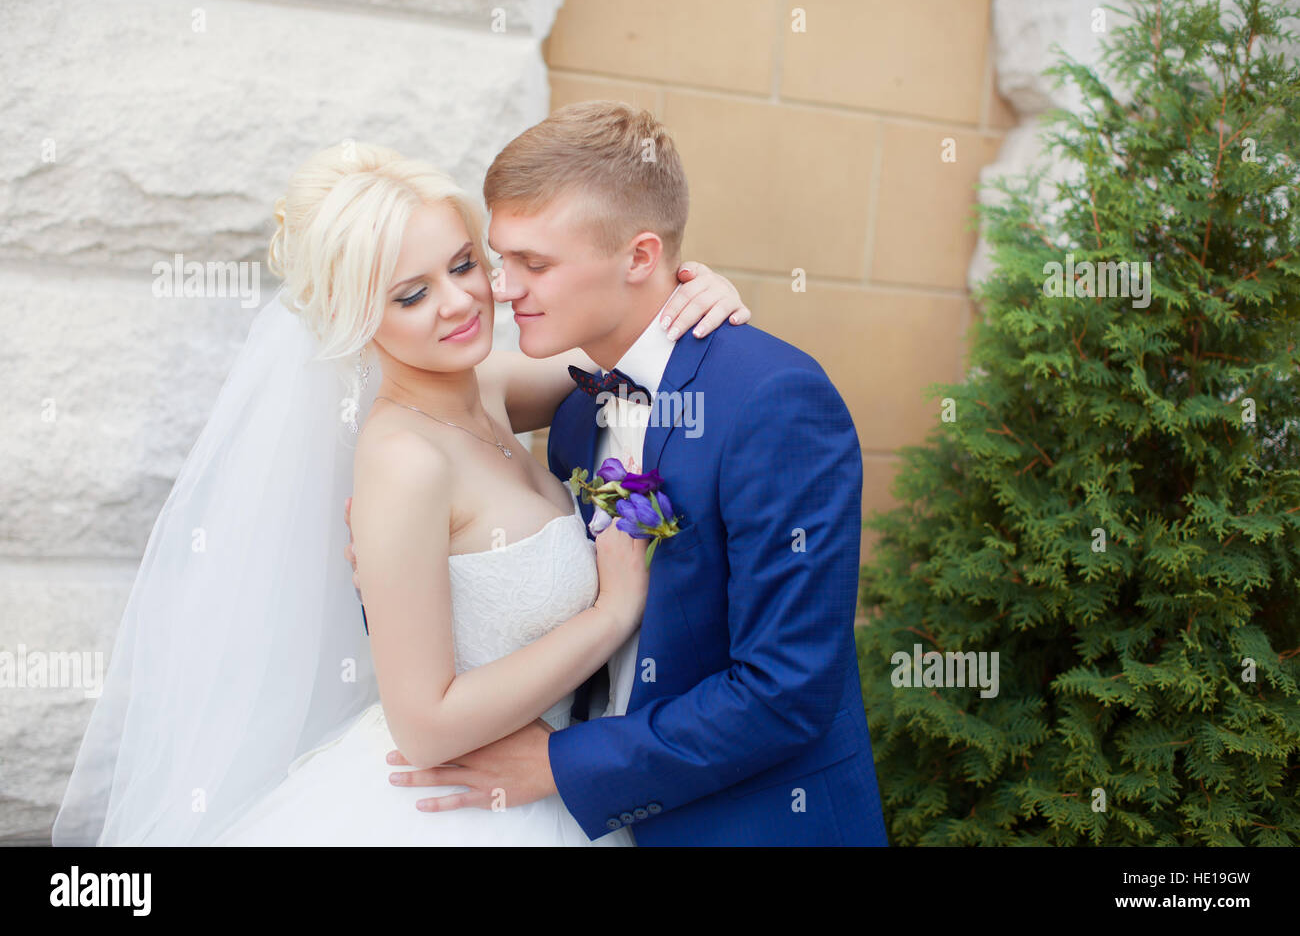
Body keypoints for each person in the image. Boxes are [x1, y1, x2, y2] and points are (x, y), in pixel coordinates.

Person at [51, 141, 749, 846]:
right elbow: (425, 726)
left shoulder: (492, 389)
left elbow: (633, 353)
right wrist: (612, 611)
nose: (460, 302)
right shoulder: (405, 461)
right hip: (461, 808)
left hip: (553, 781)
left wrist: (694, 288)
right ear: (353, 316)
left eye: (463, 264)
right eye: (411, 295)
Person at [364, 101, 890, 846]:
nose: (502, 289)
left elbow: (786, 692)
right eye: (499, 256)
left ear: (641, 257)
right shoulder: (579, 406)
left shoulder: (775, 401)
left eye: (535, 264)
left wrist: (559, 763)